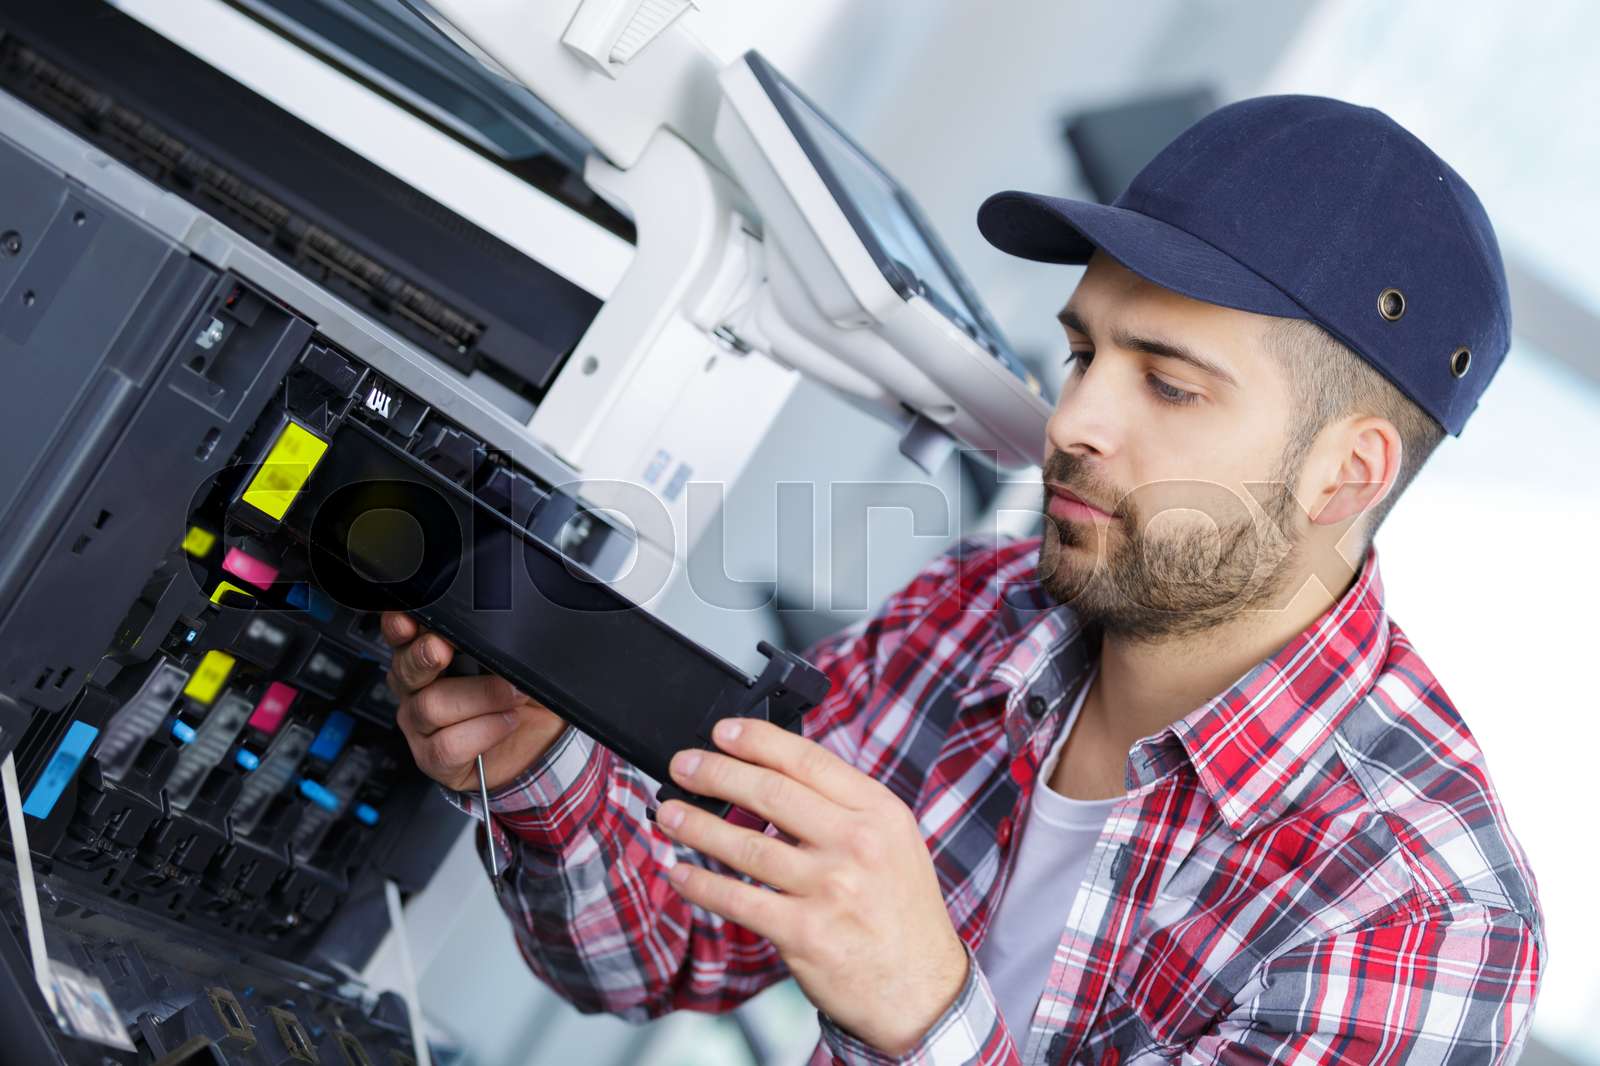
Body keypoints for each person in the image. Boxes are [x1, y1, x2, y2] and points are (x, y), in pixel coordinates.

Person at [381, 95, 1544, 1064]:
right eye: (1084, 351)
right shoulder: (982, 609)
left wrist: (925, 1015)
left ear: (1346, 473)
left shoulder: (1425, 917)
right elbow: (669, 948)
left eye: (1169, 385)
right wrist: (539, 760)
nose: (1072, 420)